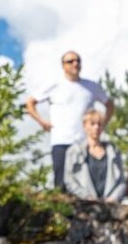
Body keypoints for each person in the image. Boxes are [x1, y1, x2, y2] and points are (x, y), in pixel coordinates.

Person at [26, 51, 114, 188]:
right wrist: (42, 122)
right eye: (70, 61)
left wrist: (102, 124)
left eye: (78, 60)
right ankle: (59, 210)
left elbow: (109, 105)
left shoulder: (91, 87)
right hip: (62, 141)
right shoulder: (54, 84)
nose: (75, 64)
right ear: (63, 65)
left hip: (85, 143)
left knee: (87, 184)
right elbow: (30, 102)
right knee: (61, 184)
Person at [63, 109, 127, 201]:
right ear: (84, 126)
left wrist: (113, 198)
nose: (96, 127)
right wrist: (87, 197)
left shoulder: (113, 151)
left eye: (99, 124)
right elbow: (69, 181)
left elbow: (121, 181)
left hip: (111, 206)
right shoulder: (74, 152)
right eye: (92, 124)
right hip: (84, 205)